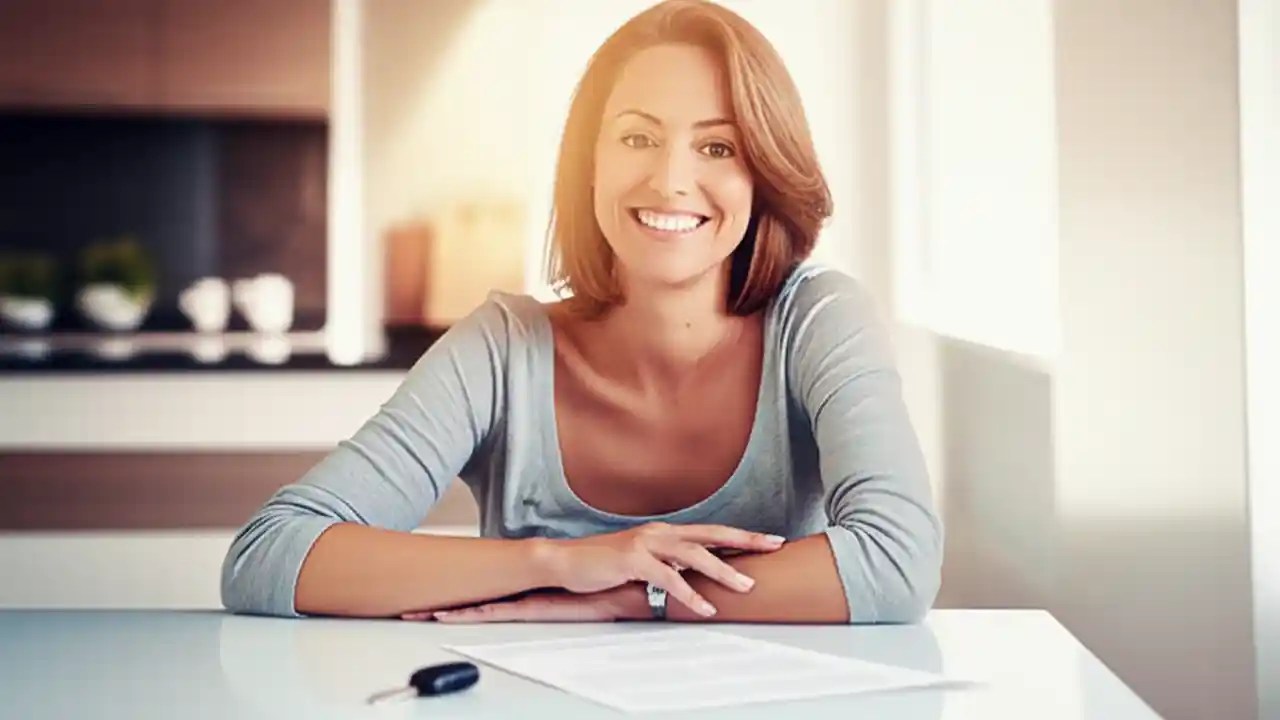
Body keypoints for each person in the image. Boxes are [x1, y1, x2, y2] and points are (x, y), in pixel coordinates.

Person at [221, 0, 941, 625]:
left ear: (764, 174)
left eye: (717, 146)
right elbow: (271, 555)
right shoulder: (504, 349)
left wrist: (629, 597)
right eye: (636, 137)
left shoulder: (817, 321)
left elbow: (897, 562)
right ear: (588, 161)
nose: (669, 179)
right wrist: (560, 564)